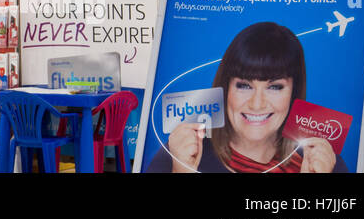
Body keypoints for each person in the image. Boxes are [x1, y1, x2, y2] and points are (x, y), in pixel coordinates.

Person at [148, 21, 346, 173]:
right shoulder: (183, 151)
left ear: (294, 93)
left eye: (275, 87)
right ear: (226, 88)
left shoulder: (321, 157)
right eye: (244, 85)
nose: (257, 104)